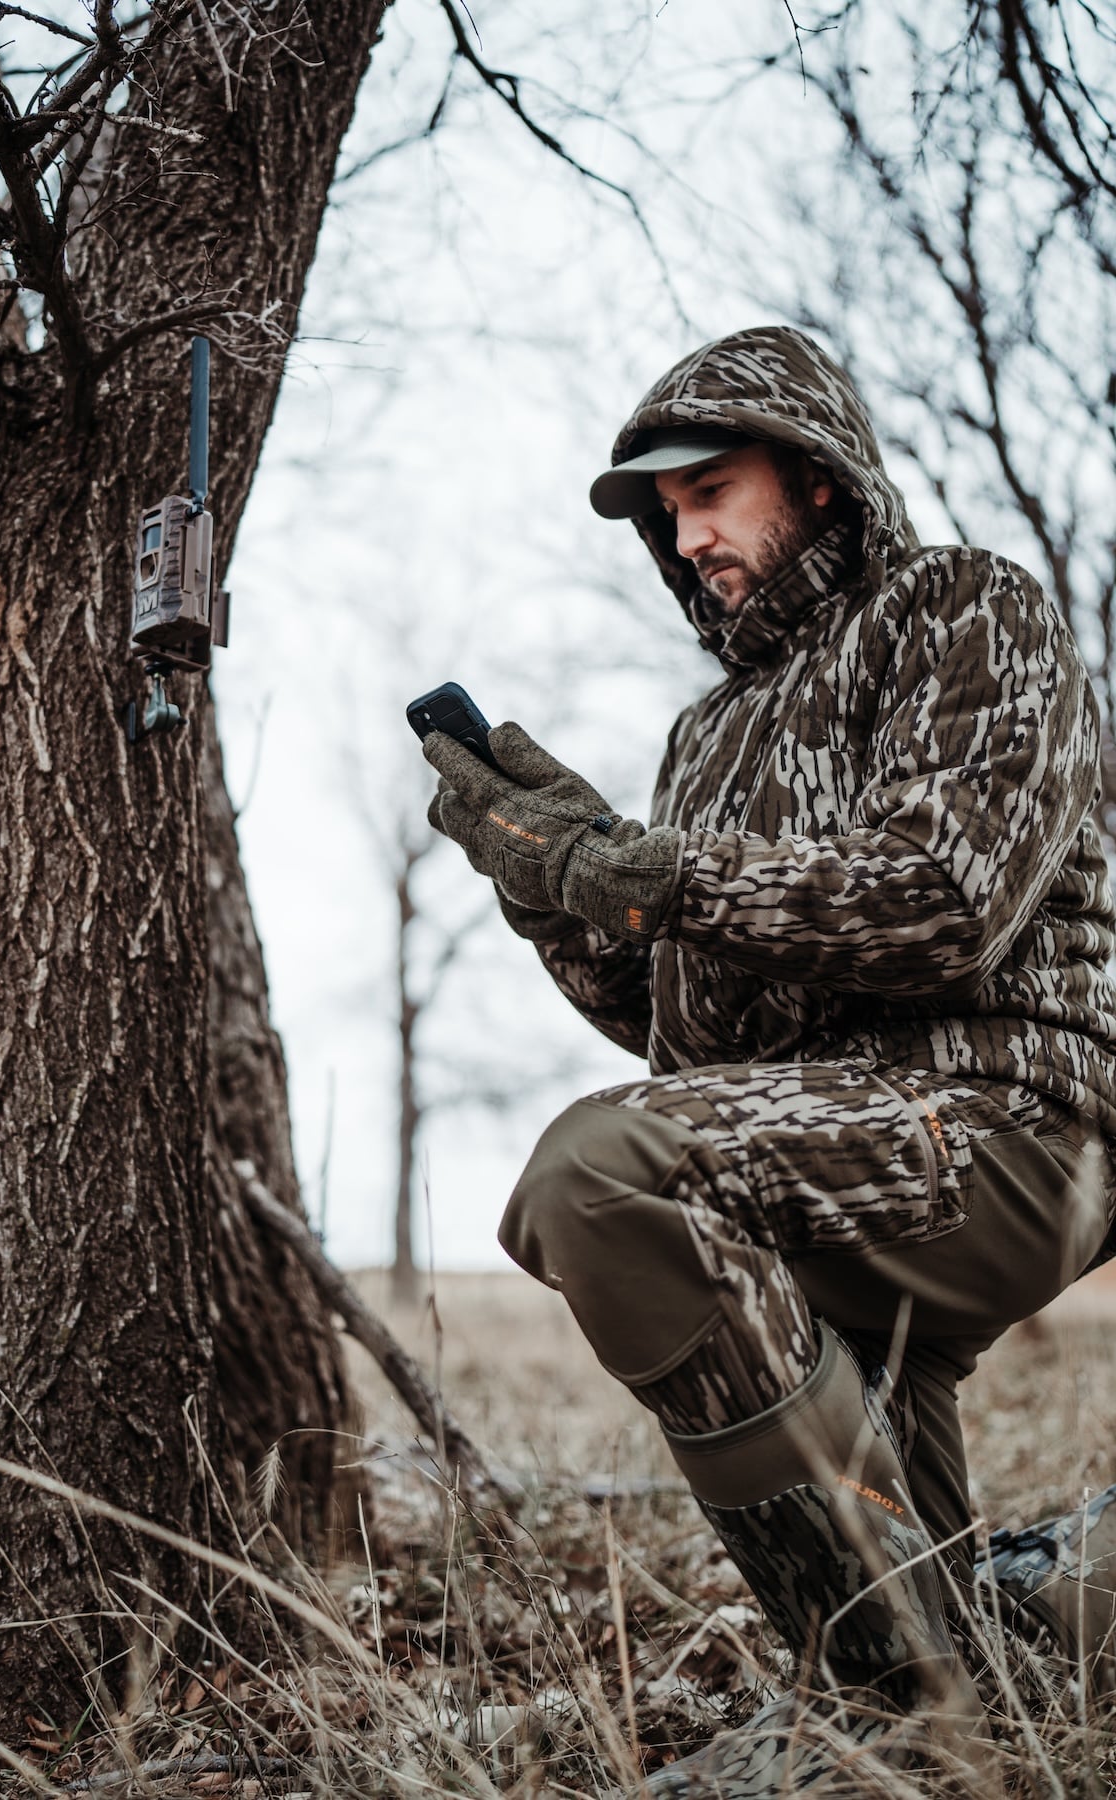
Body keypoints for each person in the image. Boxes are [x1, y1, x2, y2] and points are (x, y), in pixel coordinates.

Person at [422, 326, 1116, 1790]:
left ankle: (910, 1700)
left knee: (602, 1178)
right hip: (822, 1140)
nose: (688, 537)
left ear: (815, 476)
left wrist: (647, 871)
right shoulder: (708, 731)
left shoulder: (967, 610)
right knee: (929, 1598)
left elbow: (947, 900)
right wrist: (560, 894)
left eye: (711, 490)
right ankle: (961, 1697)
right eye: (666, 517)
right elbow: (689, 1041)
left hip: (1010, 1116)